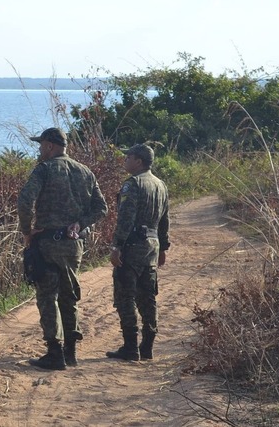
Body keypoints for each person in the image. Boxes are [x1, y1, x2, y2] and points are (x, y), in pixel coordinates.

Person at [18, 127, 108, 370]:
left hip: (47, 243)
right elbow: (102, 207)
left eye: (40, 145)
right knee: (69, 296)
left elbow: (25, 200)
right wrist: (80, 224)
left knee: (48, 296)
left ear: (49, 145)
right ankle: (71, 352)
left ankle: (54, 352)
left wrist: (27, 232)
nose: (39, 149)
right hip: (74, 244)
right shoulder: (85, 172)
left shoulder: (44, 169)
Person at [106, 143, 171, 361]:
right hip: (152, 246)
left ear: (139, 161)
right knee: (148, 296)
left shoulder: (132, 184)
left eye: (129, 157)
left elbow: (126, 218)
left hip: (132, 246)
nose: (125, 160)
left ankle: (130, 347)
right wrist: (164, 247)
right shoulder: (160, 185)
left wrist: (116, 246)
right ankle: (148, 345)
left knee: (125, 296)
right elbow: (165, 221)